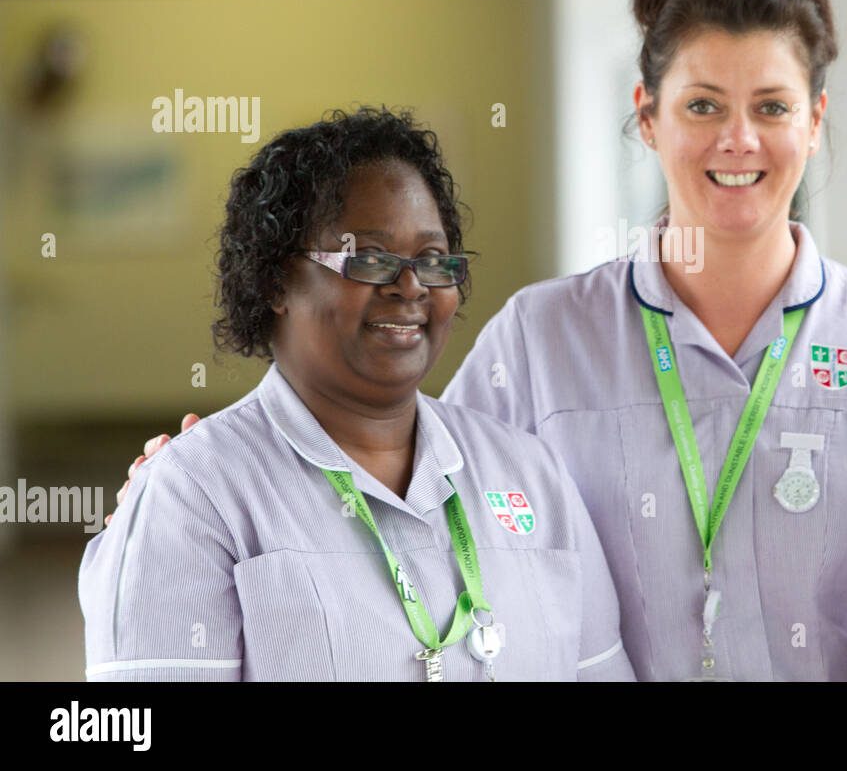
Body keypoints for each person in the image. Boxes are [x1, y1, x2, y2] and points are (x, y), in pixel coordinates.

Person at [114, 0, 847, 681]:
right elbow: (418, 496)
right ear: (648, 117)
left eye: (772, 106)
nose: (739, 140)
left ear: (814, 120)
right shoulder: (544, 339)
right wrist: (214, 475)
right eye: (702, 105)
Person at [81, 107, 634, 682]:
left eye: (431, 260)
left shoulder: (530, 471)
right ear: (275, 281)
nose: (412, 286)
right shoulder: (195, 493)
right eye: (369, 259)